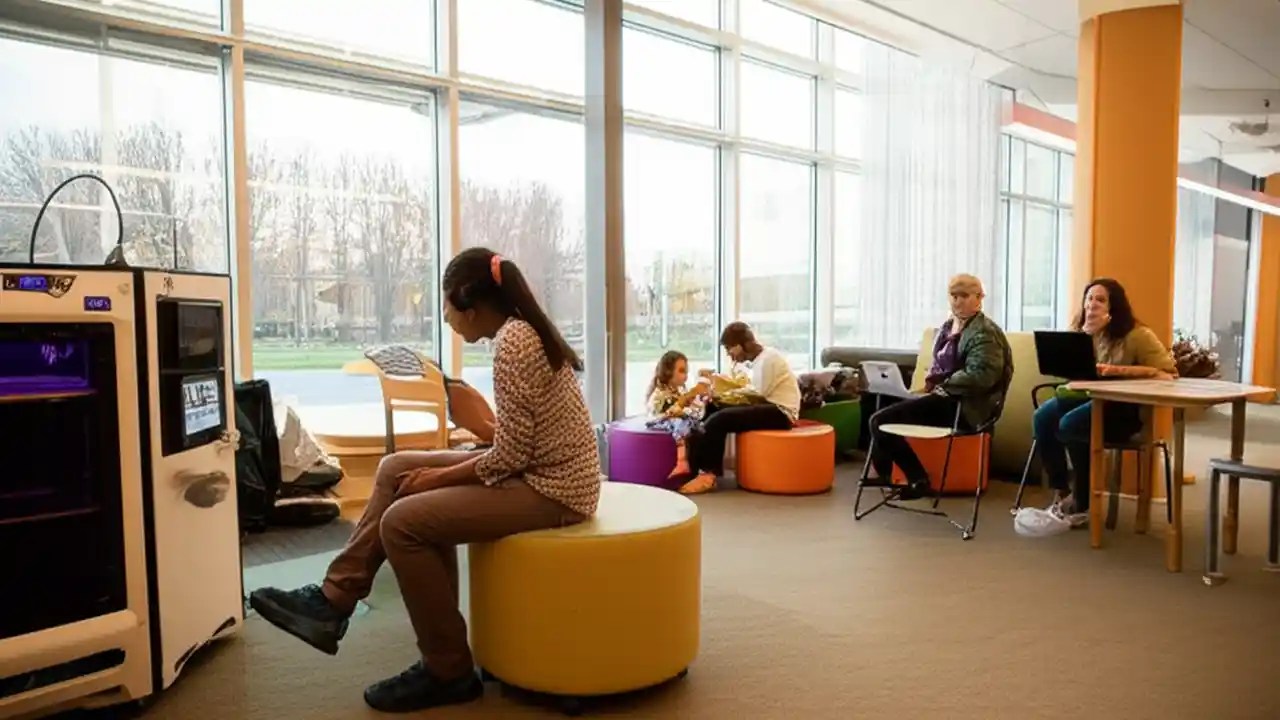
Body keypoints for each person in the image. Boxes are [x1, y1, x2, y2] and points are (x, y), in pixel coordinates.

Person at [248, 247, 601, 713]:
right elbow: (516, 444)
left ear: (469, 306)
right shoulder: (520, 331)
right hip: (536, 469)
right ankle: (334, 599)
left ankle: (448, 670)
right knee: (395, 470)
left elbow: (512, 455)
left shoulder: (514, 344)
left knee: (403, 523)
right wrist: (443, 470)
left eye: (447, 308)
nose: (448, 320)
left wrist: (436, 481)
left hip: (554, 490)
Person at [1033, 277, 1176, 527]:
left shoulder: (1138, 335)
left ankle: (1084, 500)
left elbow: (1168, 373)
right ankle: (1062, 491)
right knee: (1043, 418)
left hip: (1122, 409)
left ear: (1114, 306)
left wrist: (1117, 370)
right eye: (1089, 299)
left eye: (1100, 300)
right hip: (1086, 399)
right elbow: (1074, 371)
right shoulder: (1082, 330)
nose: (1093, 305)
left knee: (1070, 424)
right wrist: (1085, 338)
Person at [862, 274, 1012, 500]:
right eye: (953, 296)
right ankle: (886, 473)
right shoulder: (947, 327)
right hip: (942, 397)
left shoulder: (985, 333)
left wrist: (942, 385)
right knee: (876, 403)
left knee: (880, 421)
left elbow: (981, 377)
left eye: (964, 296)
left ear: (980, 298)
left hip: (965, 407)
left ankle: (917, 478)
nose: (957, 301)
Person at [678, 322, 801, 494]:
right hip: (768, 405)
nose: (729, 354)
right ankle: (697, 470)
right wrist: (718, 399)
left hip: (780, 412)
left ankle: (708, 475)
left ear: (741, 345)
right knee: (712, 409)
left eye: (730, 349)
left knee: (719, 420)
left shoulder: (768, 359)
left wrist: (723, 395)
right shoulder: (760, 360)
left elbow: (756, 394)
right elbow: (752, 393)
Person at [644, 350, 710, 479]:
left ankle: (700, 467)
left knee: (700, 425)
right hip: (661, 422)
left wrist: (699, 401)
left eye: (686, 372)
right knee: (680, 423)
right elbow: (663, 413)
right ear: (668, 372)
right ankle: (681, 461)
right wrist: (685, 401)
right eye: (681, 371)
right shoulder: (660, 393)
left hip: (675, 420)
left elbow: (689, 409)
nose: (685, 376)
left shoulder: (678, 391)